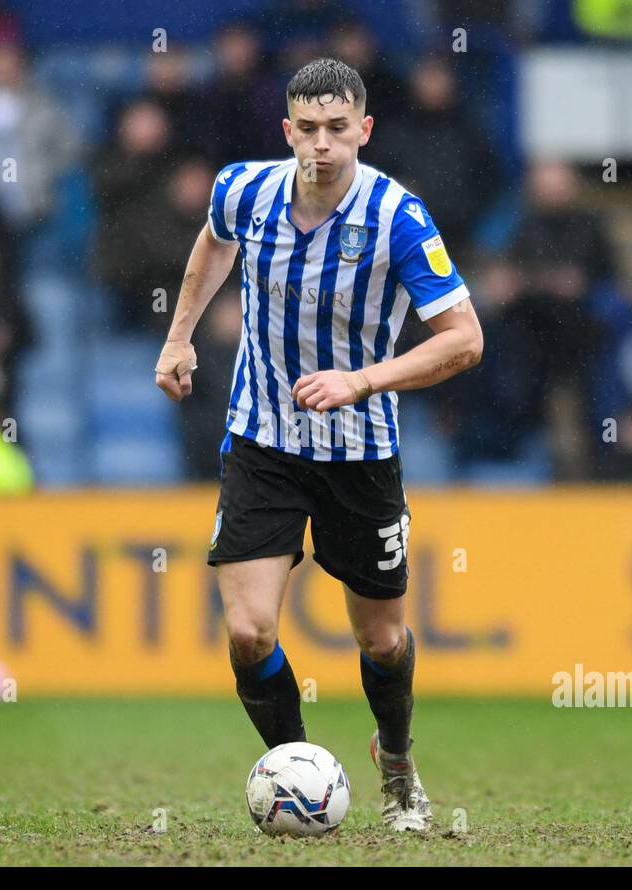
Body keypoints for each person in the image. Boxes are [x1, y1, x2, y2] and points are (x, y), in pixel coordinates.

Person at [153, 58, 484, 832]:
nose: (323, 145)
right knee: (247, 631)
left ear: (364, 130)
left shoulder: (399, 216)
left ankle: (396, 760)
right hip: (262, 438)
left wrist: (362, 382)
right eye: (308, 129)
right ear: (287, 131)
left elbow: (464, 339)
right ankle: (300, 779)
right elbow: (212, 244)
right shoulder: (245, 189)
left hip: (360, 448)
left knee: (381, 635)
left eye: (339, 129)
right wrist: (180, 338)